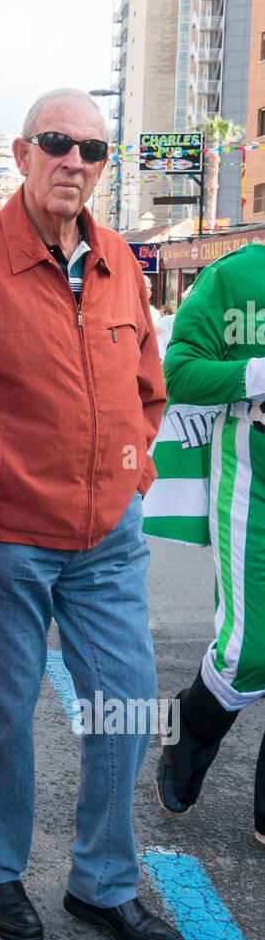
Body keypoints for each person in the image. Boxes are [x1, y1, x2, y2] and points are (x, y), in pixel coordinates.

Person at [0, 88, 186, 940]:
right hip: (2, 537)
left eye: (92, 151)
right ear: (22, 152)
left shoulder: (119, 265)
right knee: (0, 716)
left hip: (107, 537)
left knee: (126, 708)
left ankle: (100, 884)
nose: (74, 163)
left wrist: (132, 470)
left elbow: (148, 384)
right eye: (58, 144)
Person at [153, 244, 265, 844]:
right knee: (250, 647)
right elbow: (179, 370)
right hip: (255, 473)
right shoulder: (234, 274)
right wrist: (257, 373)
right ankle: (189, 729)